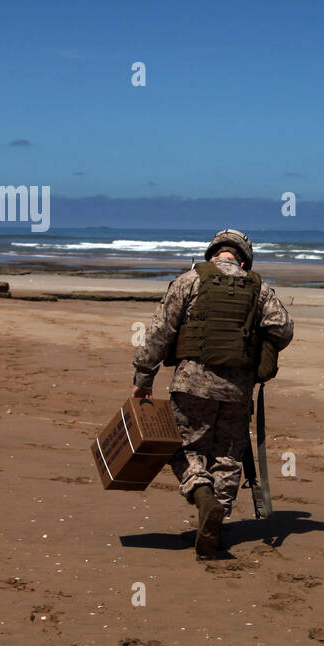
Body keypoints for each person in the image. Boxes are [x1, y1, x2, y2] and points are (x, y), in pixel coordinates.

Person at [131, 229, 293, 559]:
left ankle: (202, 496)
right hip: (237, 389)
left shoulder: (190, 280)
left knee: (182, 446)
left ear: (213, 254)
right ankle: (214, 523)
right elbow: (283, 329)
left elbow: (161, 331)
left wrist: (144, 376)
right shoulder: (259, 287)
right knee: (229, 456)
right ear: (244, 259)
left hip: (193, 381)